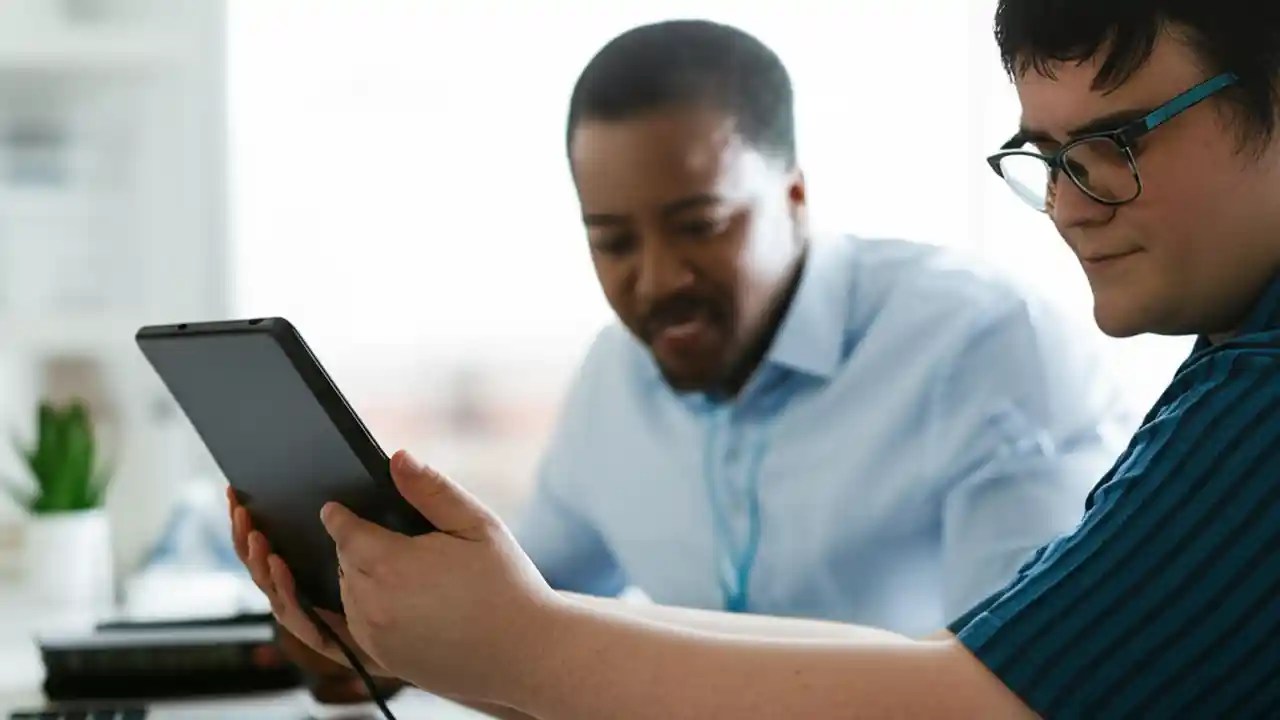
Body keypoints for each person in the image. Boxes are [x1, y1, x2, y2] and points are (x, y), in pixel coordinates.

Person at [234, 2, 1280, 717]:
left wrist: (517, 642)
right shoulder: (1226, 356)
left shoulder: (1238, 390)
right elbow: (972, 674)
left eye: (1114, 147)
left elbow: (978, 698)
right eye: (1046, 159)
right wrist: (414, 634)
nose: (1063, 204)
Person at [514, 19, 1127, 635]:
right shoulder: (613, 374)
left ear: (794, 196)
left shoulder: (986, 346)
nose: (657, 282)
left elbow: (1021, 676)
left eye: (699, 226)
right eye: (614, 242)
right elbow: (524, 612)